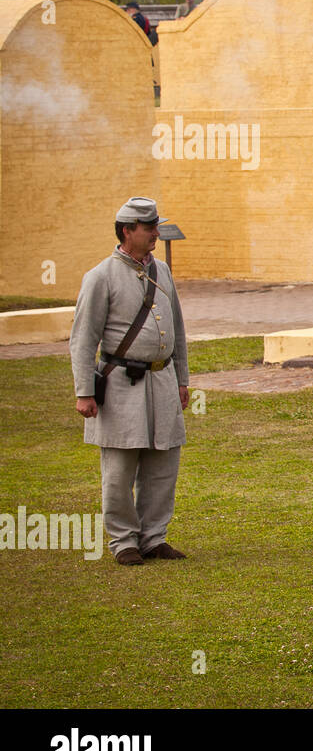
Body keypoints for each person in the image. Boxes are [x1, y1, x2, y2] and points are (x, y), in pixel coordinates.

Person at [70, 198, 190, 566]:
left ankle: (154, 537)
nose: (156, 232)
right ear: (127, 231)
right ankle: (124, 541)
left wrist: (182, 378)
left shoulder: (163, 272)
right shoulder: (100, 276)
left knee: (162, 463)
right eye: (148, 227)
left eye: (156, 225)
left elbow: (178, 330)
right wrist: (84, 392)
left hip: (162, 379)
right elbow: (83, 339)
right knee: (120, 468)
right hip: (121, 383)